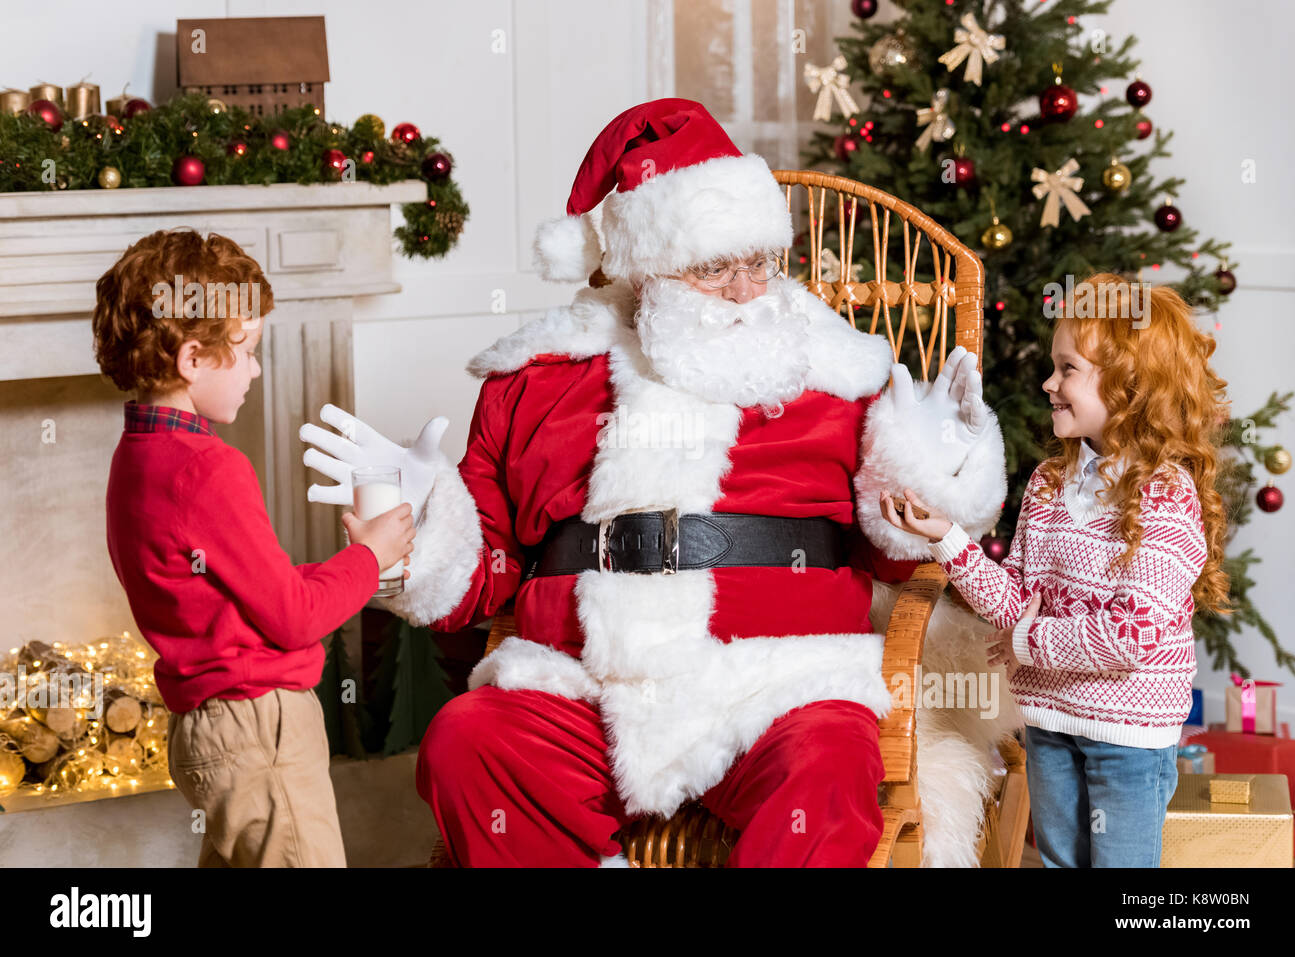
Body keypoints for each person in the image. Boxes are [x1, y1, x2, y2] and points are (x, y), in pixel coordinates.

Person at [300, 98, 1012, 866]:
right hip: (582, 685)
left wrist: (936, 474)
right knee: (467, 740)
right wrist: (418, 525)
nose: (746, 289)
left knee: (827, 771)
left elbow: (902, 561)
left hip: (780, 683)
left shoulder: (841, 373)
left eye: (759, 261)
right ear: (645, 270)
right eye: (713, 267)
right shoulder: (537, 381)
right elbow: (487, 570)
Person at [883, 273, 1231, 868]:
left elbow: (1133, 634)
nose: (1048, 383)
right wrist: (947, 537)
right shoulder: (1048, 485)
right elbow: (1014, 600)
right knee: (1058, 863)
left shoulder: (1164, 495)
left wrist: (1028, 640)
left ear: (1129, 386)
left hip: (1126, 734)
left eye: (1067, 369)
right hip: (1049, 720)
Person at [95, 229, 415, 867]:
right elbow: (293, 617)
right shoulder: (209, 468)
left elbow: (237, 591)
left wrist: (333, 569)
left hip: (205, 733)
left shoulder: (136, 461)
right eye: (246, 351)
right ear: (193, 358)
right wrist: (370, 557)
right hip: (259, 730)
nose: (257, 370)